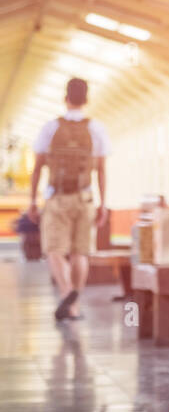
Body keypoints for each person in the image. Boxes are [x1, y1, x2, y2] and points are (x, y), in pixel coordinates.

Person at [27, 78, 110, 321]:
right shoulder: (96, 129)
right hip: (85, 198)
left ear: (65, 98)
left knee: (54, 249)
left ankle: (66, 292)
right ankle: (74, 306)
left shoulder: (50, 127)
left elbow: (38, 167)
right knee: (80, 253)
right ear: (86, 100)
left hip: (58, 198)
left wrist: (33, 201)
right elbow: (102, 170)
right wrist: (102, 203)